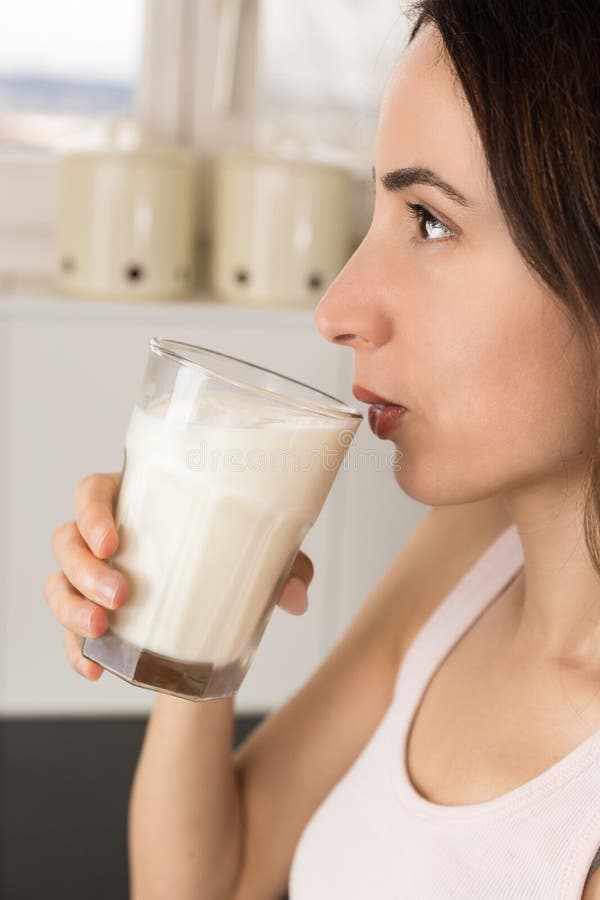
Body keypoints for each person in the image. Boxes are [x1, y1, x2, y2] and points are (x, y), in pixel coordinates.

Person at [45, 0, 600, 896]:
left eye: (429, 221)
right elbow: (214, 881)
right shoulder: (476, 555)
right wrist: (196, 618)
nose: (336, 309)